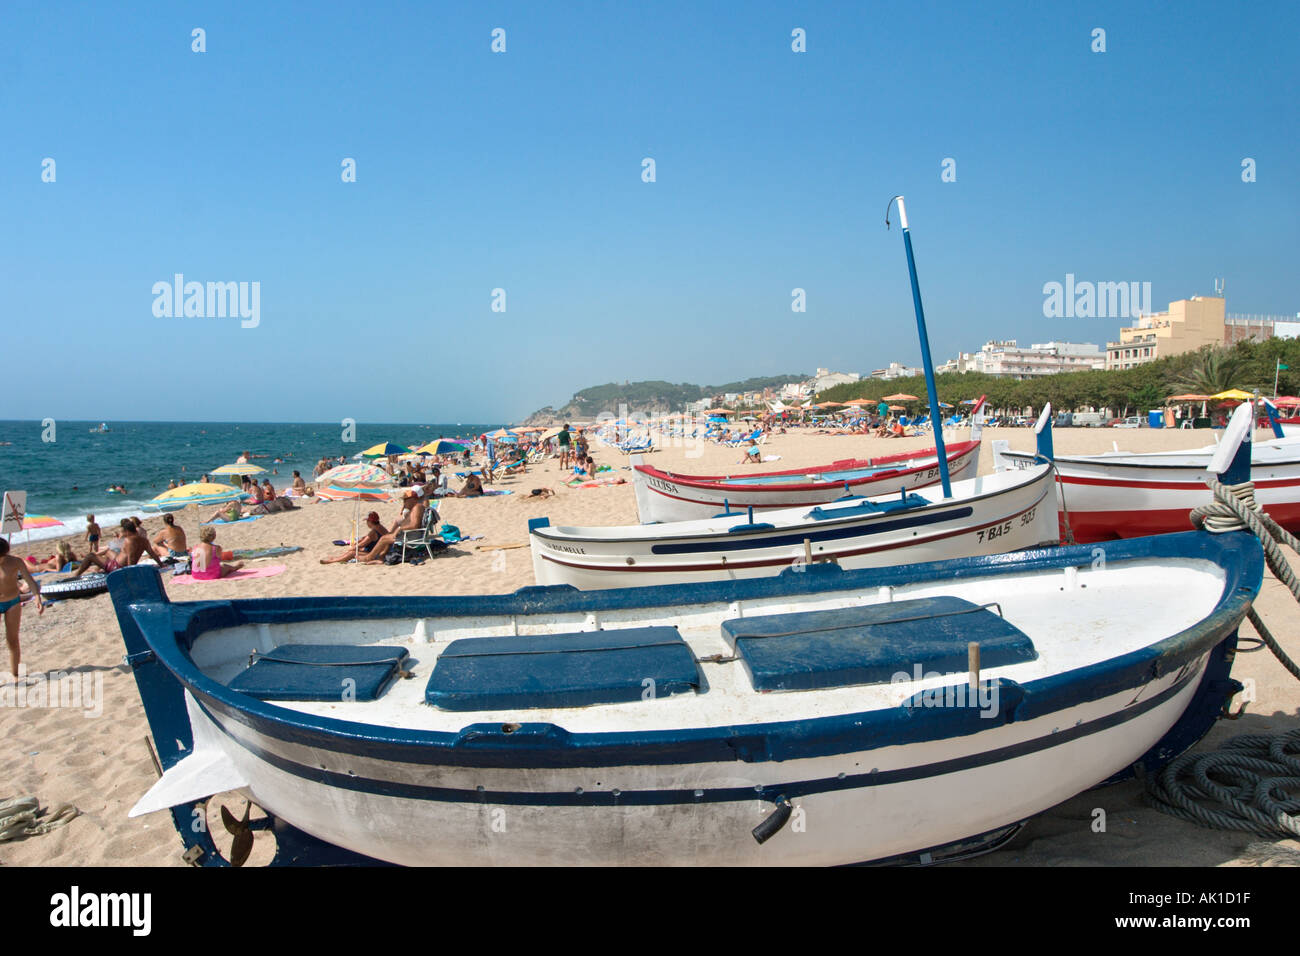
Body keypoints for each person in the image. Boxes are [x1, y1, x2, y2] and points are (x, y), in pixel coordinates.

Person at [0, 538, 44, 679]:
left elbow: (29, 579)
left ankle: (16, 675)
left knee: (12, 640)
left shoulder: (15, 561)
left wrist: (37, 596)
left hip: (13, 602)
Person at [73, 519, 163, 577]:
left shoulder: (129, 540)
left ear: (127, 531)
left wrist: (129, 573)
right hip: (119, 562)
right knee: (108, 551)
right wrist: (161, 564)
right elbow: (153, 554)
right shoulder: (144, 540)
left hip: (117, 567)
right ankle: (98, 568)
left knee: (90, 556)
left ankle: (76, 575)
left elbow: (131, 557)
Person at [363, 492, 427, 564]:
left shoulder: (417, 507)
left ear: (413, 499)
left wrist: (400, 528)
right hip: (411, 535)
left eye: (405, 500)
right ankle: (380, 558)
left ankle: (369, 557)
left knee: (383, 539)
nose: (404, 502)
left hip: (411, 537)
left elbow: (415, 525)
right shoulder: (415, 508)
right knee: (388, 536)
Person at [320, 512, 389, 564]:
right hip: (381, 552)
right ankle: (337, 558)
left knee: (352, 553)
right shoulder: (381, 527)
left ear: (370, 522)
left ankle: (332, 561)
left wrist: (353, 547)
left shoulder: (373, 532)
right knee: (354, 550)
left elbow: (362, 544)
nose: (366, 523)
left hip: (375, 554)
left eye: (367, 521)